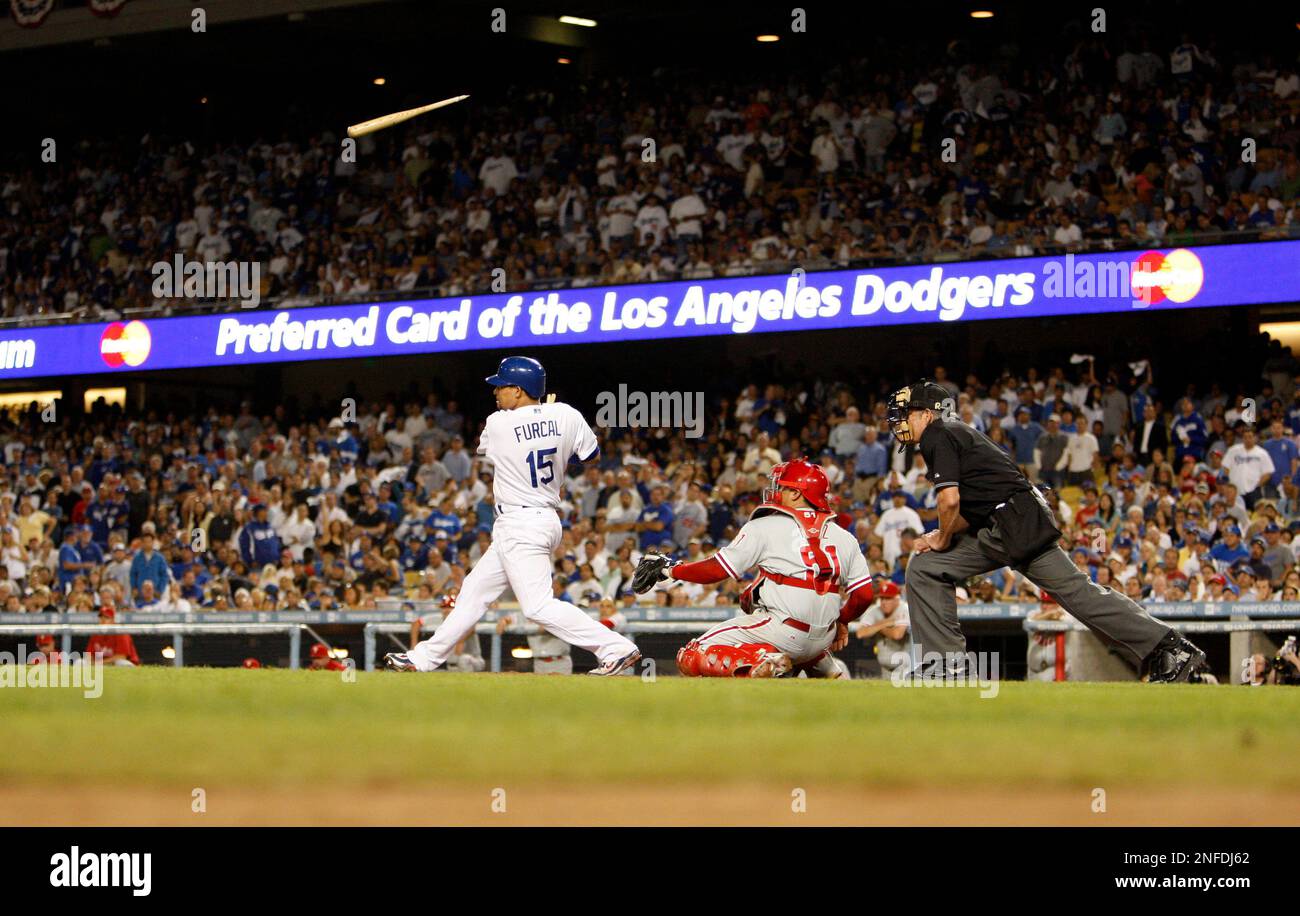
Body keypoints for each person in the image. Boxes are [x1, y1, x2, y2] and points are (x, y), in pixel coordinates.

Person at [887, 380, 1205, 683]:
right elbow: (972, 509)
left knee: (1077, 593)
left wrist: (941, 537)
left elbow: (949, 501)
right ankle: (945, 667)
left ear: (926, 414)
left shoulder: (937, 434)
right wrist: (941, 537)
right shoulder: (955, 434)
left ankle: (1169, 645)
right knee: (927, 566)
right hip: (1006, 522)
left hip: (1015, 522)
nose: (900, 420)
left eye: (906, 413)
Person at [387, 357, 640, 676]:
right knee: (472, 595)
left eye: (502, 386)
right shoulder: (566, 414)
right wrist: (553, 429)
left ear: (519, 391)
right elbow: (591, 457)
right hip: (542, 519)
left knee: (537, 606)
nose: (496, 392)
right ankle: (423, 659)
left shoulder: (498, 423)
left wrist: (540, 421)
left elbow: (500, 447)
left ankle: (616, 648)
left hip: (522, 523)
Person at [633, 459, 874, 678]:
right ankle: (821, 664)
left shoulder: (765, 525)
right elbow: (863, 596)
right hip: (824, 638)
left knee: (692, 654)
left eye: (782, 486)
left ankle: (765, 661)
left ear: (797, 493)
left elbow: (716, 571)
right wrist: (842, 621)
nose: (776, 491)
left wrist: (670, 569)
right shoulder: (844, 536)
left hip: (784, 631)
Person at [853, 580, 910, 678]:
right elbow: (860, 633)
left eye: (888, 598)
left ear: (897, 599)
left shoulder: (904, 609)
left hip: (905, 665)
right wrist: (884, 623)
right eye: (882, 598)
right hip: (885, 667)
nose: (883, 602)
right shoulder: (875, 610)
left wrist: (875, 627)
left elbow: (897, 634)